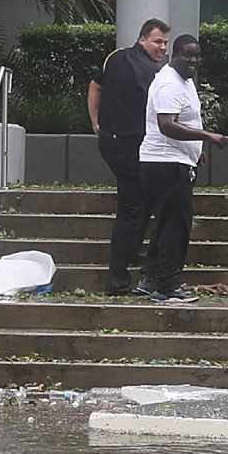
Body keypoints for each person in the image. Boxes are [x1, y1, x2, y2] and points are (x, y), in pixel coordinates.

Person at [134, 34, 226, 304]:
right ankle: (167, 287)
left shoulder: (183, 81)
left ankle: (152, 279)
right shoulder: (169, 83)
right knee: (176, 226)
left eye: (197, 56)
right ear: (174, 55)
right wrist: (206, 136)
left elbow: (185, 120)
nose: (193, 61)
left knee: (167, 224)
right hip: (165, 164)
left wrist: (195, 151)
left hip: (174, 161)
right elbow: (167, 125)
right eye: (188, 55)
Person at [88, 18, 169, 295]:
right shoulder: (152, 71)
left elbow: (95, 85)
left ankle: (130, 254)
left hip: (116, 142)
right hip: (129, 146)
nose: (162, 47)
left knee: (139, 204)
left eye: (165, 43)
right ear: (143, 39)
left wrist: (95, 122)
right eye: (158, 41)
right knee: (132, 209)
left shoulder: (115, 58)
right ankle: (118, 278)